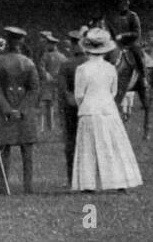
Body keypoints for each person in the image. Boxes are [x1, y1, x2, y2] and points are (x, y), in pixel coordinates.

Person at [71, 28, 142, 193]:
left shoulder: (82, 70)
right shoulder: (110, 68)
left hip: (89, 109)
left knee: (87, 147)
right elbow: (113, 92)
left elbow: (79, 94)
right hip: (108, 109)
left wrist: (86, 104)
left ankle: (88, 185)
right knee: (114, 145)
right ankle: (119, 182)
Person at [0, 26, 40, 195]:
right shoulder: (28, 63)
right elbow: (34, 89)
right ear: (21, 42)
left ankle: (4, 187)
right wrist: (23, 109)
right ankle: (28, 187)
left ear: (7, 41)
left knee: (4, 150)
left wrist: (7, 109)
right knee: (27, 151)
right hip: (25, 113)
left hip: (5, 112)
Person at [57, 29, 86, 185]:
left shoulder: (67, 65)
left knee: (71, 143)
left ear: (73, 45)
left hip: (72, 108)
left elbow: (63, 90)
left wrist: (71, 101)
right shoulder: (92, 63)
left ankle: (72, 179)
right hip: (90, 108)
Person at [37, 32, 66, 133]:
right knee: (49, 106)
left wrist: (47, 75)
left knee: (48, 106)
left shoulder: (47, 56)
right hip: (53, 84)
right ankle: (47, 127)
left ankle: (47, 127)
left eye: (49, 44)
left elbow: (41, 68)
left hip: (50, 84)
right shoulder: (61, 56)